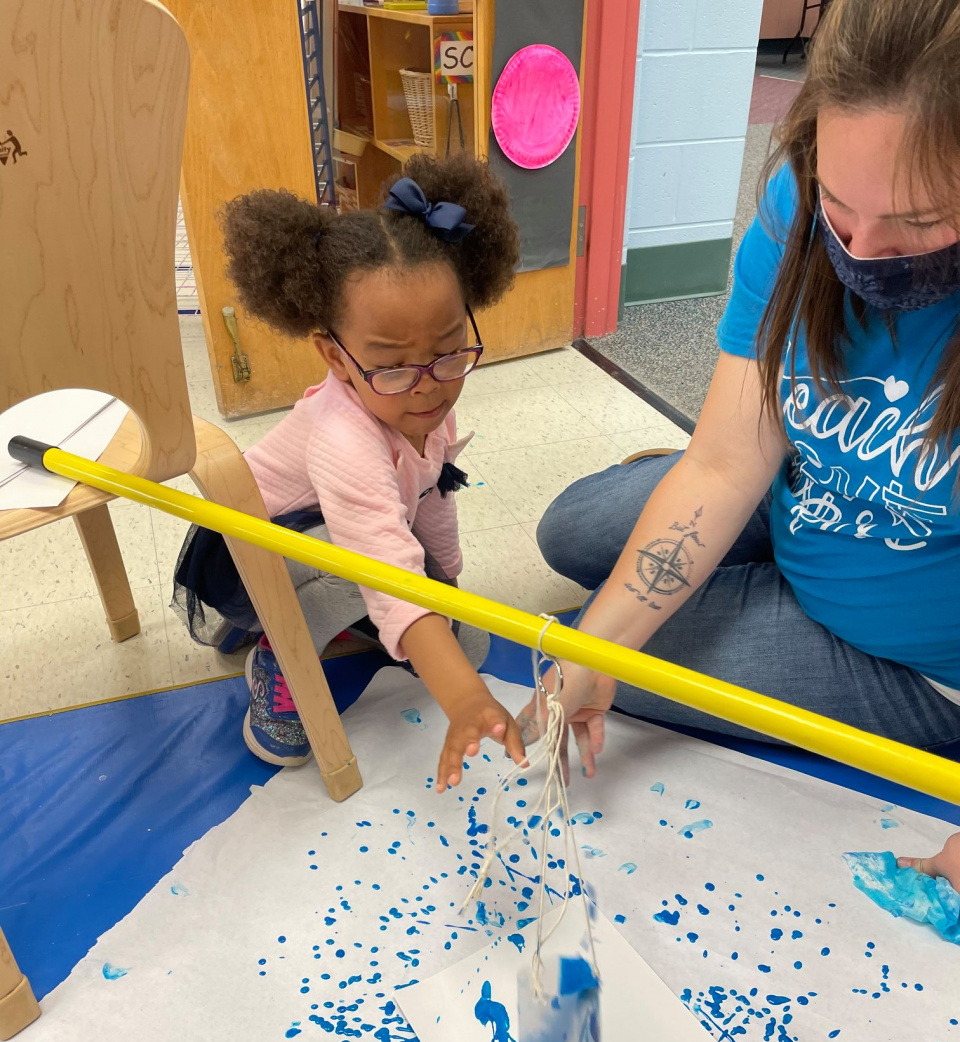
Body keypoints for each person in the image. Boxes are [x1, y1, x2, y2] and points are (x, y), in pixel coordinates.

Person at [525, 0, 960, 888]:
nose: (864, 254)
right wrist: (603, 648)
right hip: (811, 494)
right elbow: (724, 462)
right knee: (569, 543)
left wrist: (600, 653)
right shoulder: (798, 200)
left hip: (910, 656)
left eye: (917, 224)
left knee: (587, 657)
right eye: (840, 208)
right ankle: (765, 486)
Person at [173, 154, 527, 790]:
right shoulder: (343, 436)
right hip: (255, 551)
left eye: (449, 352)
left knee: (460, 643)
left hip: (344, 539)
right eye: (391, 366)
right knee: (359, 579)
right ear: (335, 357)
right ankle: (276, 657)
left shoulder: (431, 401)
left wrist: (445, 587)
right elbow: (383, 568)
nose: (426, 387)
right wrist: (465, 702)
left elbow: (434, 488)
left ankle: (348, 625)